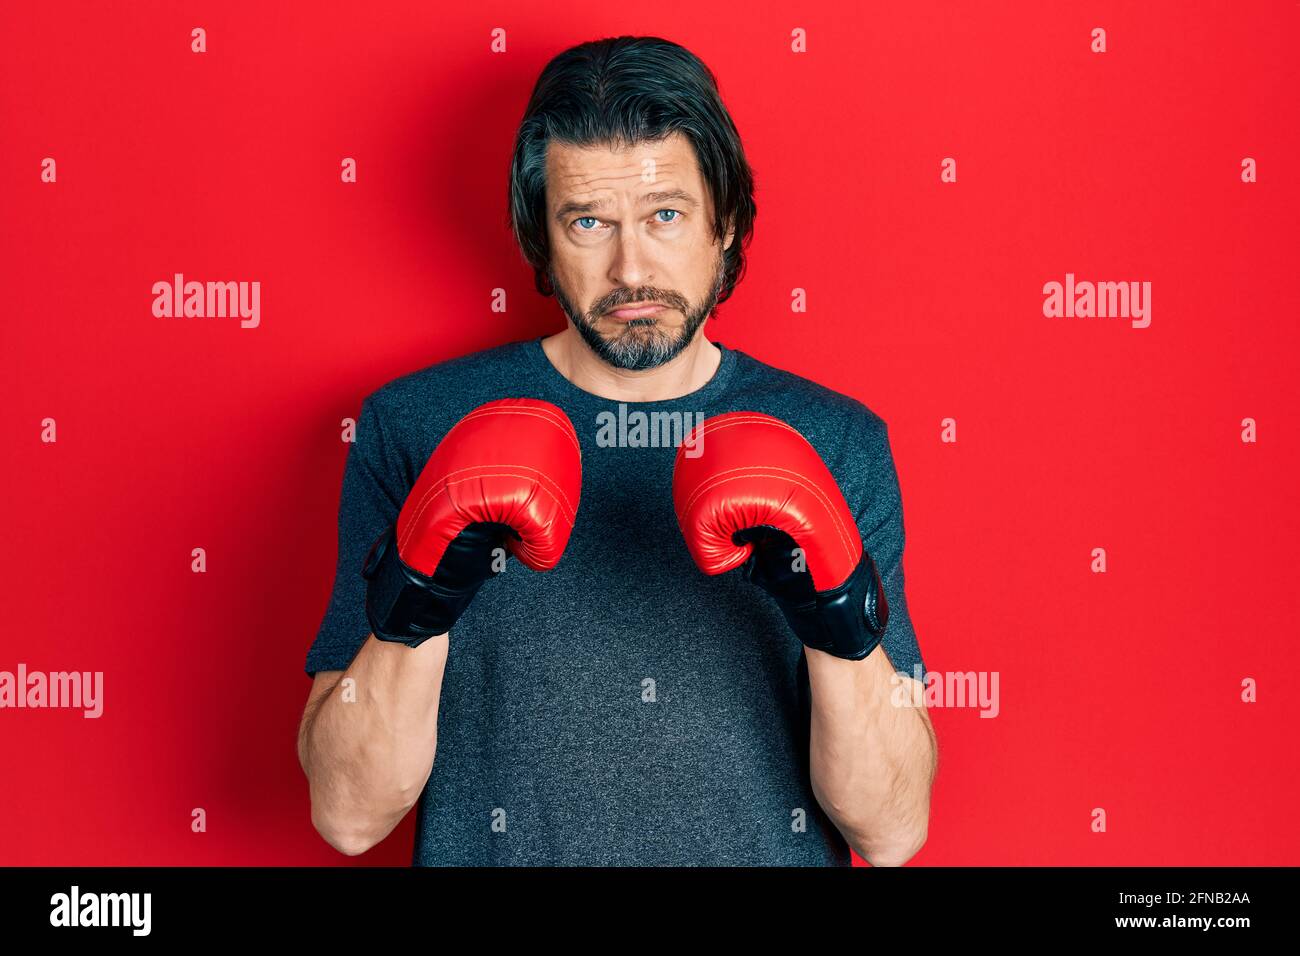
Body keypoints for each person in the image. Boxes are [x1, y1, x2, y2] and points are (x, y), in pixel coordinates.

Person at [297, 34, 937, 866]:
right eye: (589, 221)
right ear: (542, 239)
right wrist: (417, 600)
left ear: (726, 224)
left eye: (666, 215)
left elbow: (892, 832)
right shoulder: (416, 424)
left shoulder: (839, 438)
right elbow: (348, 816)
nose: (631, 267)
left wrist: (837, 622)